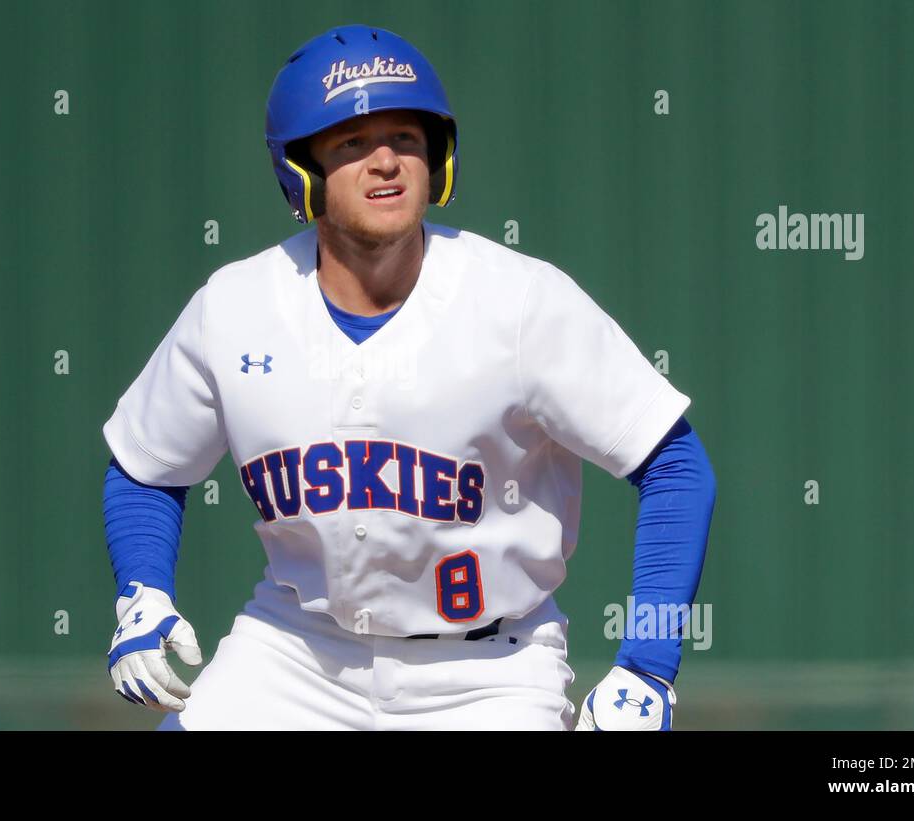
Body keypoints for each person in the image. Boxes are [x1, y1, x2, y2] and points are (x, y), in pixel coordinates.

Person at [101, 24, 716, 730]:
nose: (386, 161)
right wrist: (141, 590)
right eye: (352, 143)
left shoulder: (519, 303)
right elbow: (148, 464)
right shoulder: (235, 308)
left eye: (407, 139)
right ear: (301, 172)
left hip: (489, 672)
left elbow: (675, 465)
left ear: (440, 161)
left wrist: (648, 662)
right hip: (297, 651)